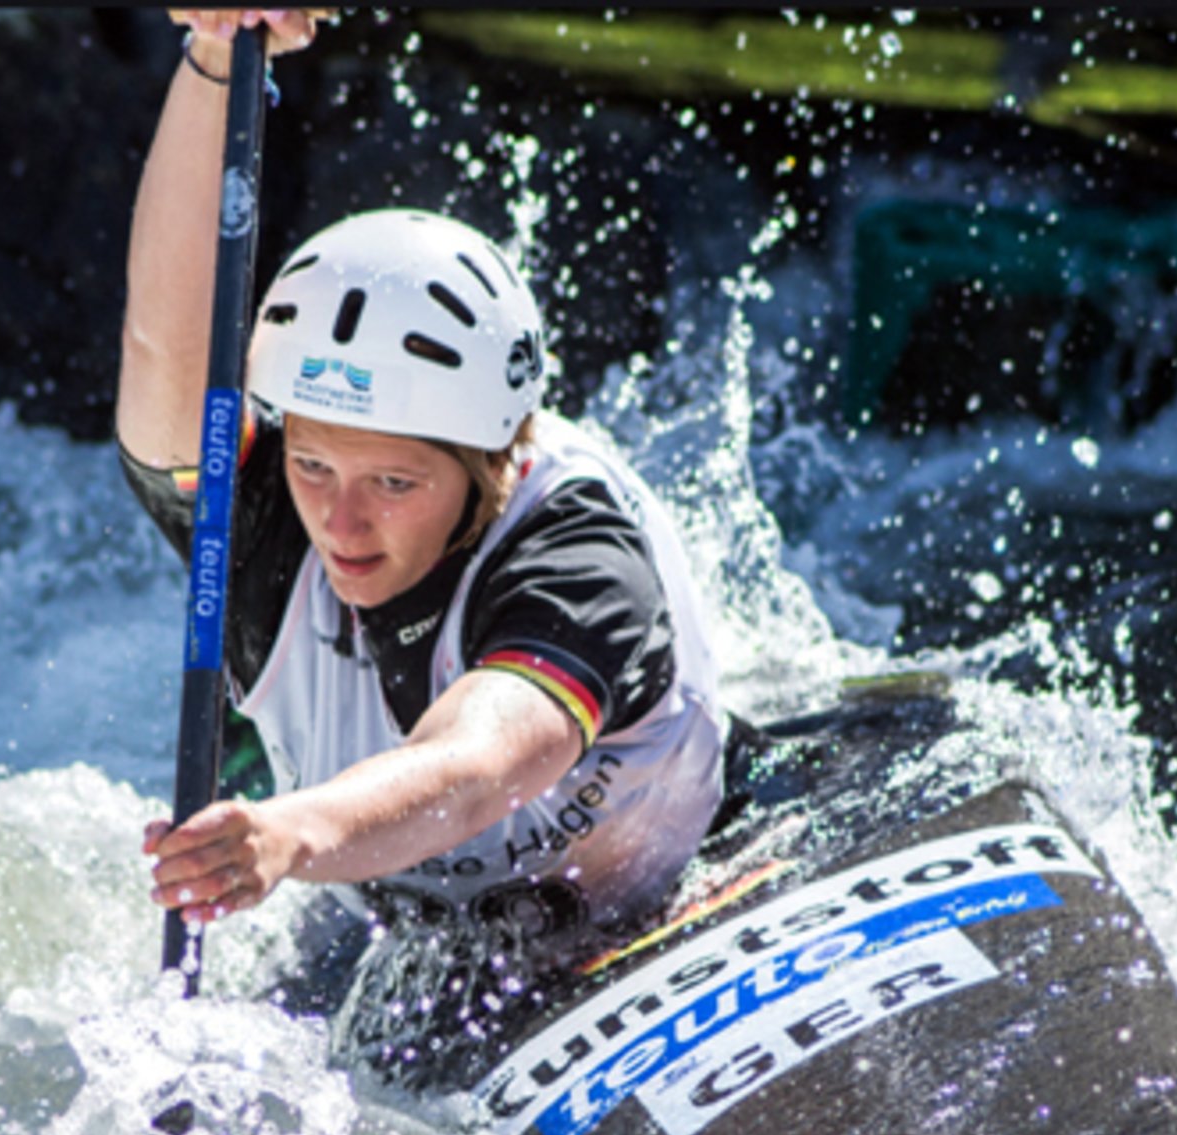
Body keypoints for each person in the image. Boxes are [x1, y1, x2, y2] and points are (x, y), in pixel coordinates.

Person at [118, 9, 729, 1079]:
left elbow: (478, 765)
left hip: (646, 899)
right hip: (395, 926)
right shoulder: (270, 522)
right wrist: (215, 50)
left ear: (487, 466)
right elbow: (166, 350)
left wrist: (285, 837)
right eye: (315, 467)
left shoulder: (576, 552)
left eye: (394, 482)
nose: (341, 522)